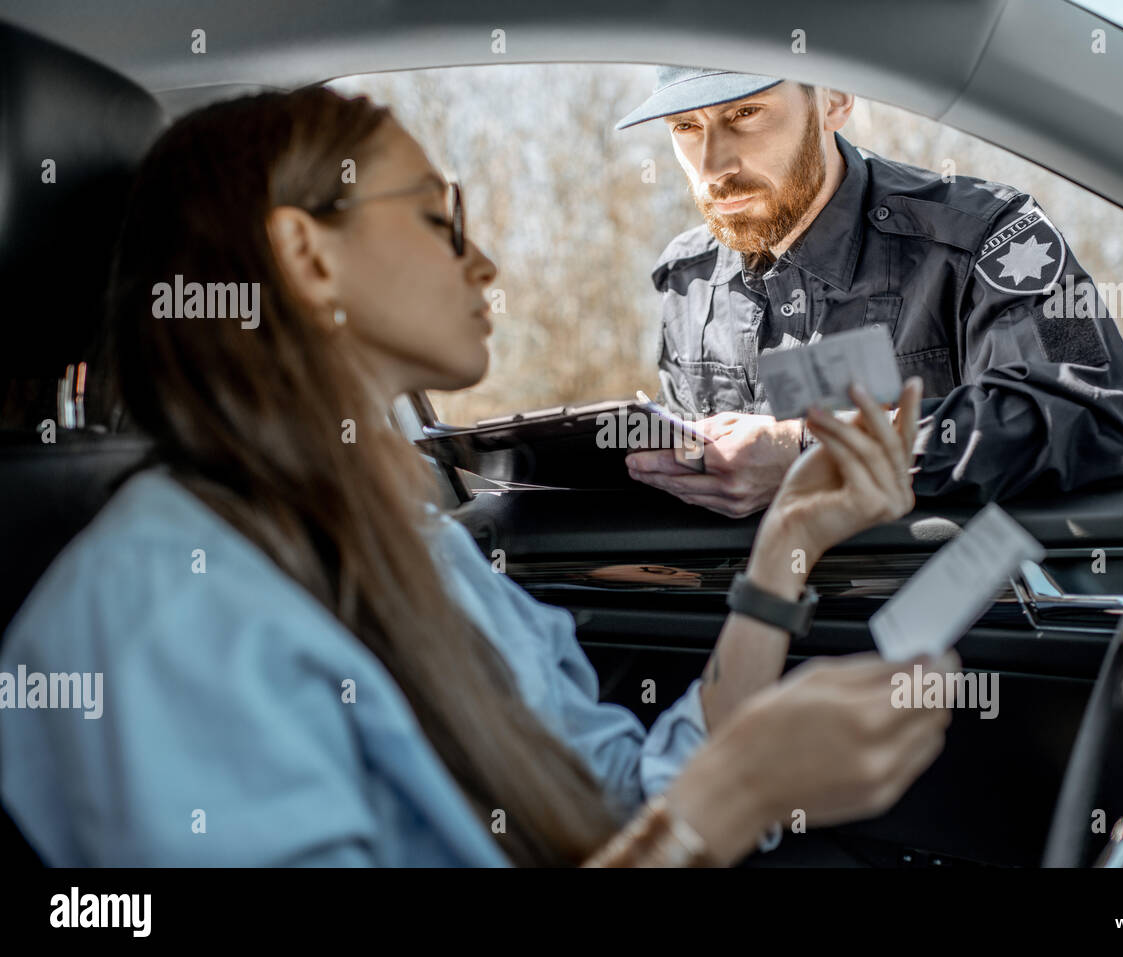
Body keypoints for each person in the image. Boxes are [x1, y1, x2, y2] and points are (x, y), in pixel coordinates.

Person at [0, 87, 956, 867]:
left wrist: (792, 538)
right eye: (436, 219)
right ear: (306, 255)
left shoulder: (427, 555)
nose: (485, 261)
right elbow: (671, 815)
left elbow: (620, 791)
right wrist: (730, 800)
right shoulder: (156, 610)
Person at [618, 68, 1123, 517]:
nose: (714, 168)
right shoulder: (687, 279)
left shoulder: (996, 237)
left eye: (746, 113)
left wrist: (814, 451)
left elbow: (1098, 422)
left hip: (933, 626)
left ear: (834, 99)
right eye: (686, 126)